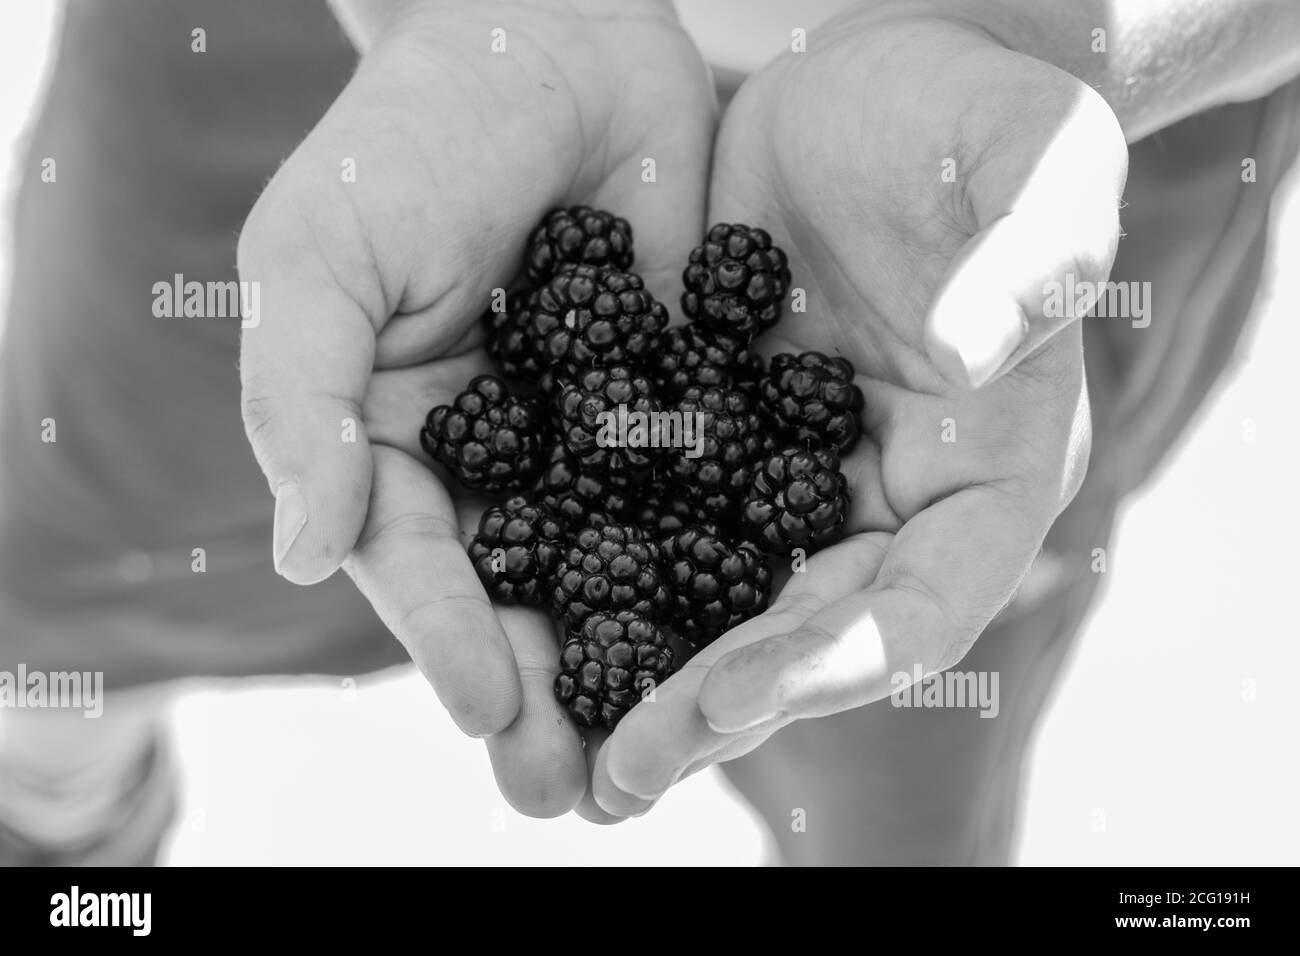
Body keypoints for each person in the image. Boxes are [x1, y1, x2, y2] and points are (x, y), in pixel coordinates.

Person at [1, 0, 1297, 865]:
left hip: (1003, 155)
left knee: (894, 685)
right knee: (114, 508)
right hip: (348, 53)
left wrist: (1022, 37)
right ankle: (60, 793)